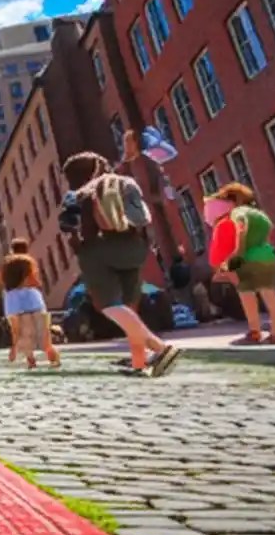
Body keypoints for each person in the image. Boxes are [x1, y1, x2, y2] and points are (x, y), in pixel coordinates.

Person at [59, 151, 182, 377]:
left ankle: (160, 348)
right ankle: (139, 363)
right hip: (135, 248)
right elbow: (142, 218)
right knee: (129, 308)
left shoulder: (77, 194)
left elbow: (68, 226)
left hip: (98, 250)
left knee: (108, 305)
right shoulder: (127, 183)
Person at [204, 183, 275, 344]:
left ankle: (254, 332)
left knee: (246, 294)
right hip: (267, 255)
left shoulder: (237, 212)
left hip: (248, 258)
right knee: (270, 295)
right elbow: (271, 233)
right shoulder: (260, 214)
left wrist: (236, 256)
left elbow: (241, 230)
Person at [0, 238, 61, 369]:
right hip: (30, 296)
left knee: (20, 332)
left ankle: (29, 360)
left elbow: (4, 281)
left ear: (12, 249)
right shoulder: (28, 261)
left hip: (12, 298)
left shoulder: (7, 264)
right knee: (43, 333)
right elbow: (33, 280)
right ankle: (53, 359)